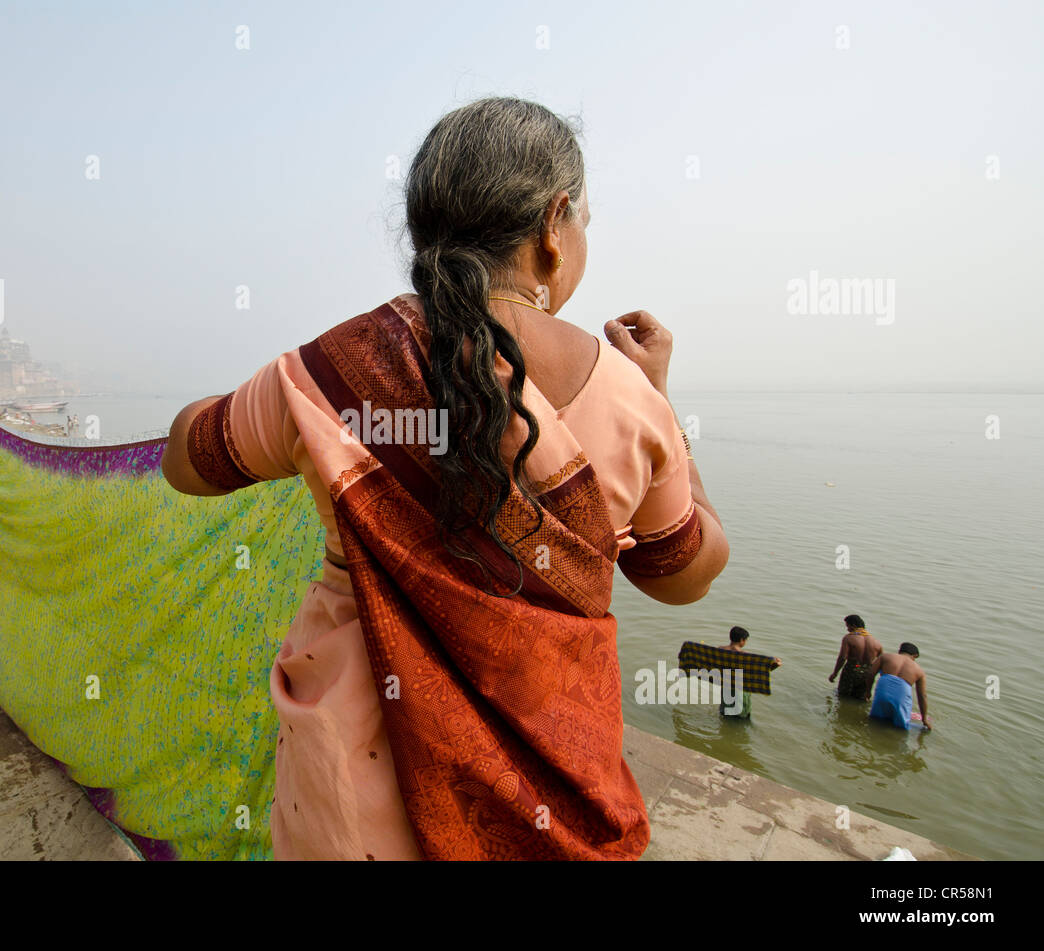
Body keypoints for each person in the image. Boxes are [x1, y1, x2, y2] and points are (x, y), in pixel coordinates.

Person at [161, 97, 730, 860]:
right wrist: (663, 401)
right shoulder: (632, 403)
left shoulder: (330, 371)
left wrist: (281, 398)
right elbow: (681, 572)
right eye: (584, 218)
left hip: (346, 806)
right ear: (553, 227)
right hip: (550, 808)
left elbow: (185, 461)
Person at [716, 626, 781, 718]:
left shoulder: (719, 650)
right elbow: (759, 673)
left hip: (726, 688)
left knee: (726, 714)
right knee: (741, 719)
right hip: (741, 692)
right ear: (742, 640)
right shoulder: (745, 657)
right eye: (746, 640)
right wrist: (776, 664)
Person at [869, 643, 931, 730]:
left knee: (874, 721)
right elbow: (922, 696)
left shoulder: (885, 657)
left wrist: (867, 692)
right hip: (901, 698)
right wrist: (924, 719)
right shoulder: (919, 670)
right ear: (915, 655)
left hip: (882, 694)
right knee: (900, 728)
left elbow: (871, 675)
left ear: (899, 651)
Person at [828, 613, 883, 699]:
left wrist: (834, 674)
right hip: (867, 672)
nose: (848, 629)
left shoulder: (849, 638)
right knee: (861, 698)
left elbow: (842, 658)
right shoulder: (876, 642)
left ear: (853, 625)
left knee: (843, 697)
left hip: (852, 669)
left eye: (848, 626)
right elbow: (881, 662)